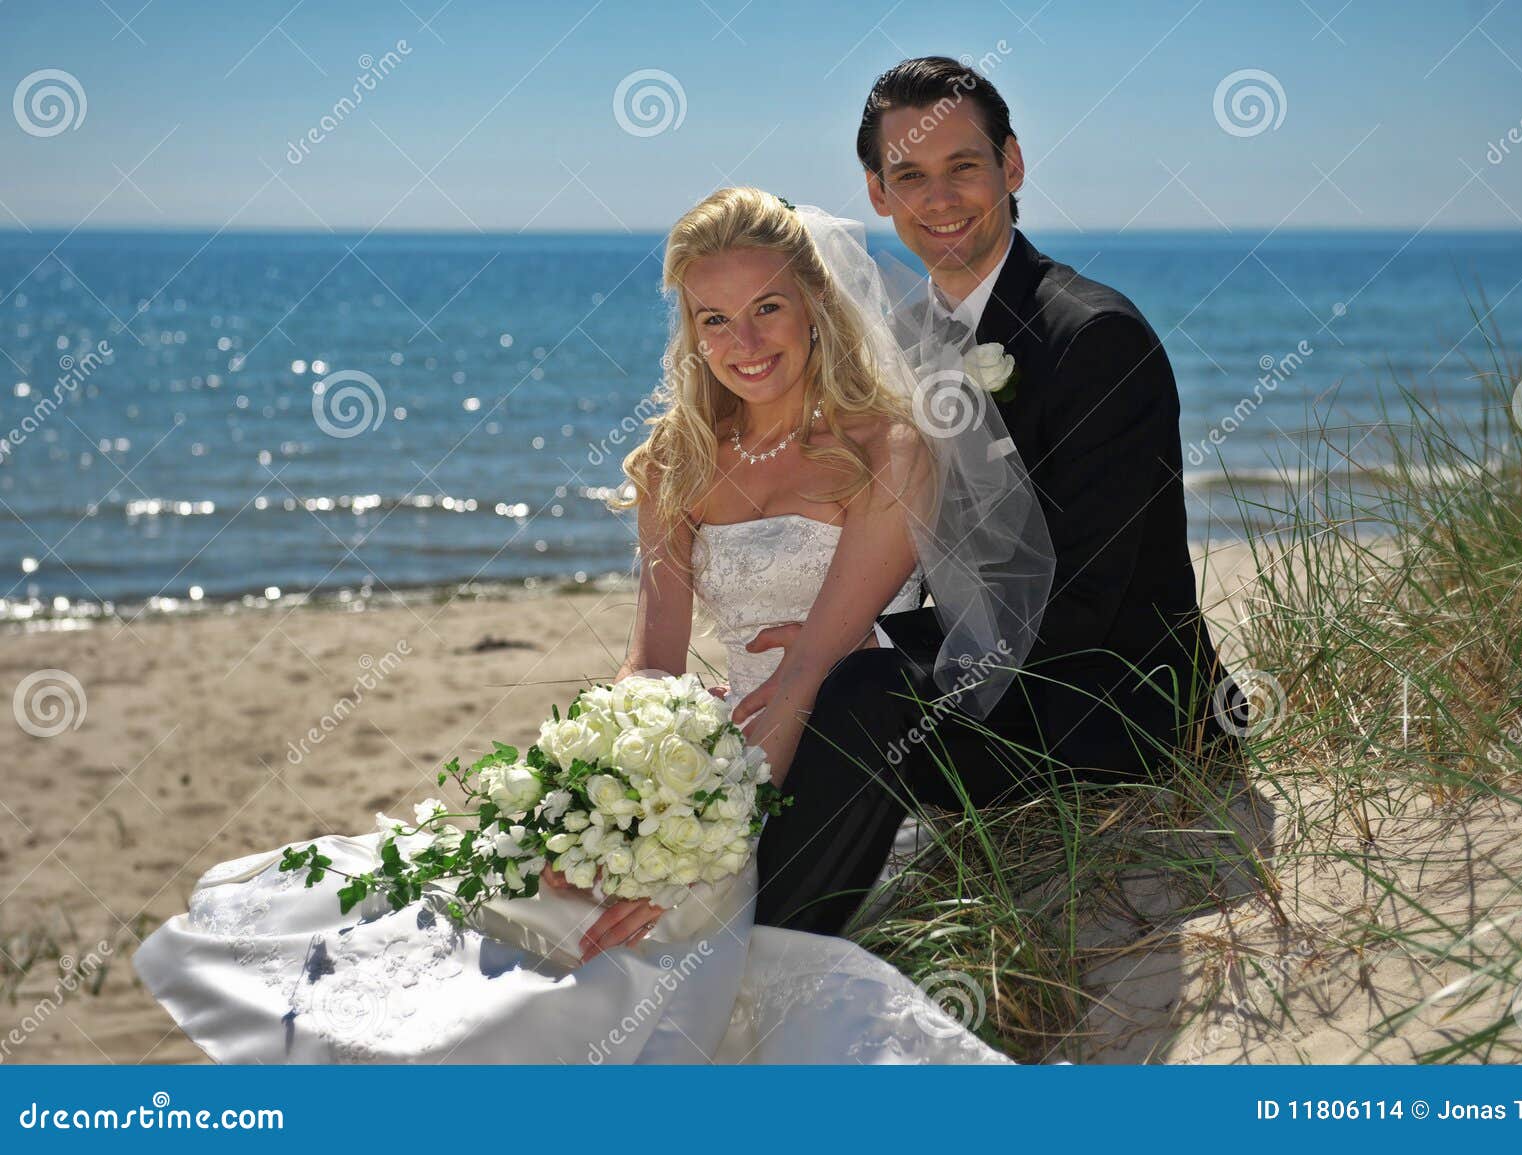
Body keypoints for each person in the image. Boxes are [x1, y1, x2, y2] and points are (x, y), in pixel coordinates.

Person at [130, 186, 1025, 1065]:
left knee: (659, 945)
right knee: (536, 901)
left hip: (834, 761)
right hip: (707, 749)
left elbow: (803, 680)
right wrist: (610, 802)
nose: (742, 344)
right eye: (712, 319)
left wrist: (683, 853)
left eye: (766, 309)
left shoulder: (884, 449)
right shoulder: (678, 458)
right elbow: (652, 662)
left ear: (815, 303)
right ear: (688, 327)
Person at [751, 57, 1243, 938]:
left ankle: (768, 946)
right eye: (910, 176)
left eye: (963, 167)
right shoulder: (902, 340)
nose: (939, 199)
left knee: (859, 691)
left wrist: (875, 645)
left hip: (1116, 703)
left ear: (1012, 166)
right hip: (1001, 673)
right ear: (877, 192)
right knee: (778, 677)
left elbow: (1086, 604)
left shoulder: (1094, 337)